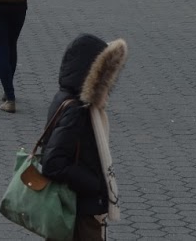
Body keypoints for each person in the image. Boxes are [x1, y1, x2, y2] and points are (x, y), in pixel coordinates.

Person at [40, 33, 127, 241]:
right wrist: (93, 184)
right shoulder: (76, 110)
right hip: (77, 212)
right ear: (92, 75)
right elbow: (52, 162)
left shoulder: (69, 100)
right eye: (105, 76)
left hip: (77, 208)